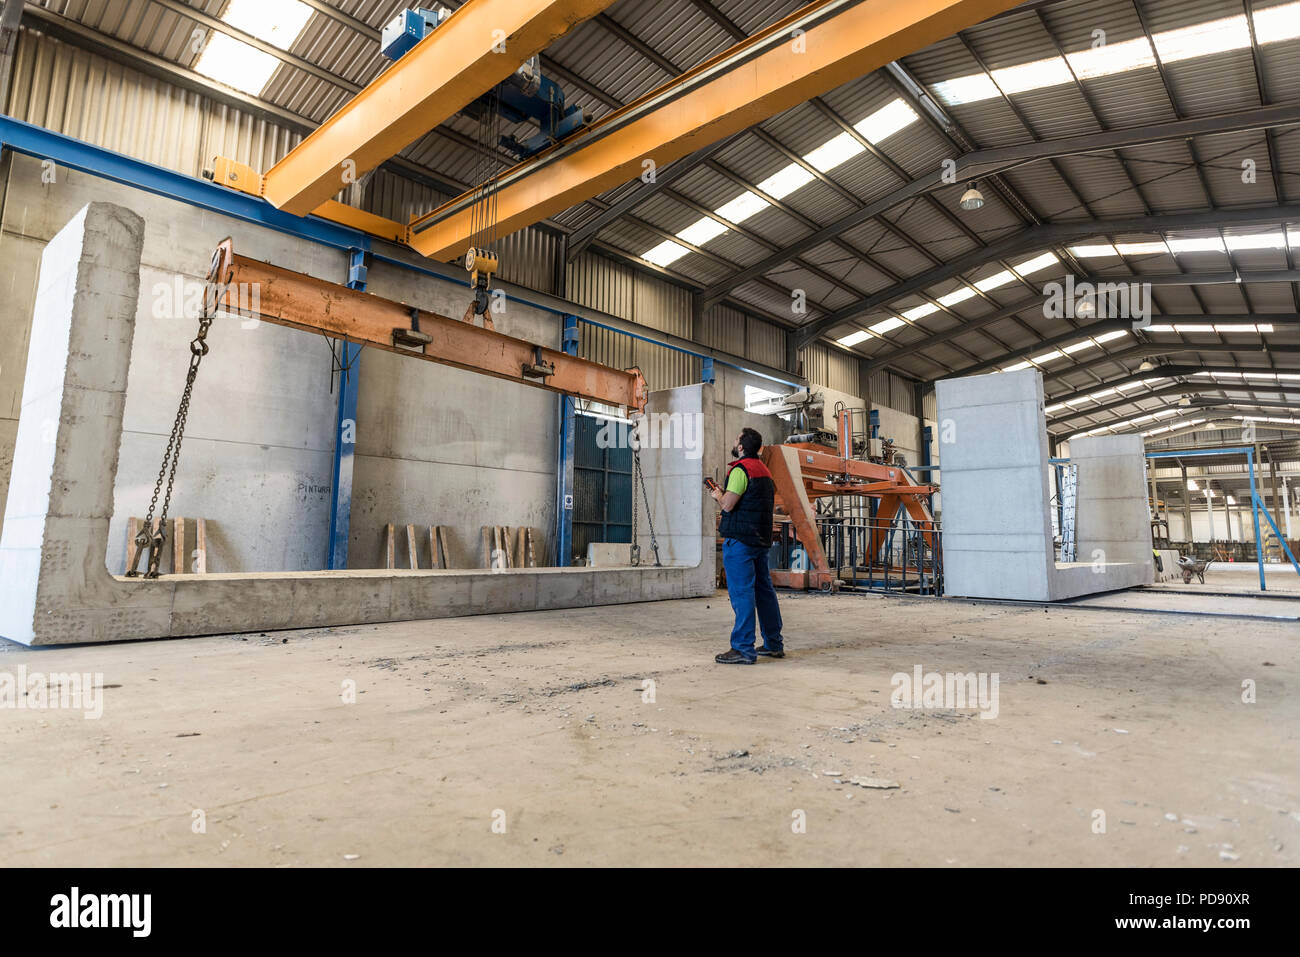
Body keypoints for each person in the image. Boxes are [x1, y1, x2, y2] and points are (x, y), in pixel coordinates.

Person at [708, 427, 785, 664]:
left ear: (741, 446)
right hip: (760, 541)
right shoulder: (764, 471)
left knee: (742, 594)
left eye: (736, 439)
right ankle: (773, 643)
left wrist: (717, 495)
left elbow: (729, 505)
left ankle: (743, 648)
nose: (734, 442)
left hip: (740, 541)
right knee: (764, 592)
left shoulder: (741, 470)